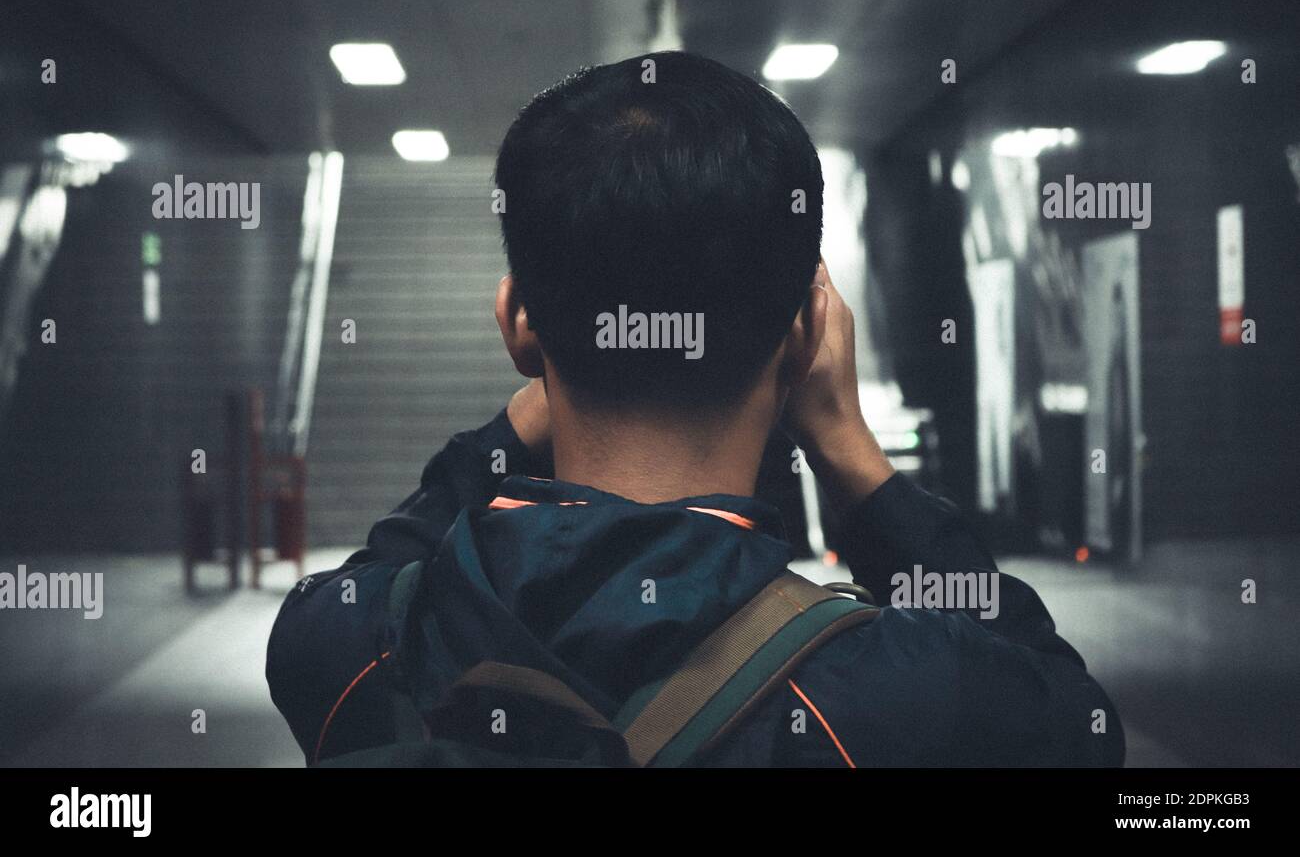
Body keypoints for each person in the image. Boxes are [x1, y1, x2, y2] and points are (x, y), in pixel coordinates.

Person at [266, 51, 1124, 767]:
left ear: (518, 324)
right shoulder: (911, 697)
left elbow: (375, 568)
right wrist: (850, 451)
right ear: (807, 335)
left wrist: (513, 422)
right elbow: (1083, 724)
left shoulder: (351, 651)